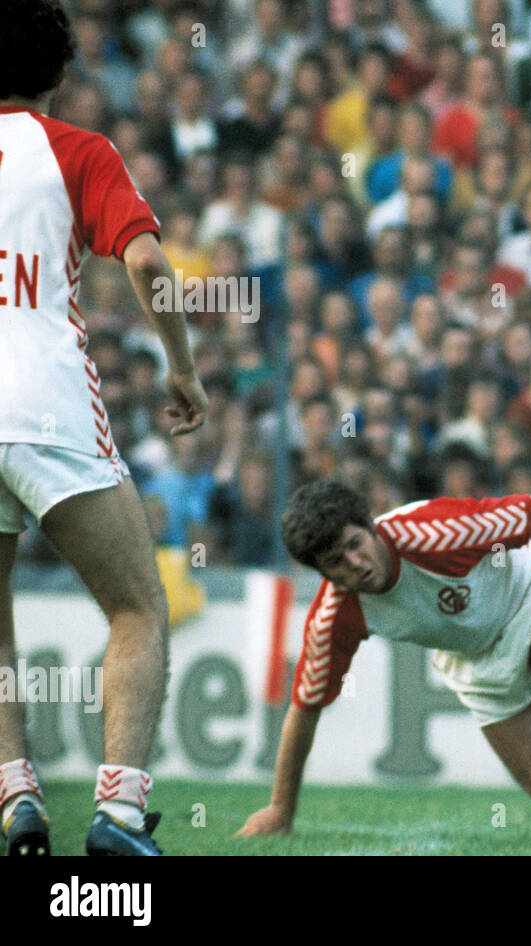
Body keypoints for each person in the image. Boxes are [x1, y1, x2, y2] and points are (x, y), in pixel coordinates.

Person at [0, 0, 208, 856]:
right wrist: (182, 368)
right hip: (44, 402)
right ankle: (120, 814)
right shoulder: (76, 150)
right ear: (61, 73)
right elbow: (149, 261)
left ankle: (16, 803)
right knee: (136, 605)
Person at [237, 479, 531, 842]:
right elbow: (306, 704)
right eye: (335, 563)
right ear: (323, 574)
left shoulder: (432, 534)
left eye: (355, 544)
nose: (354, 564)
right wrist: (281, 808)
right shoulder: (334, 614)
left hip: (528, 595)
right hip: (473, 656)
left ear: (371, 526)